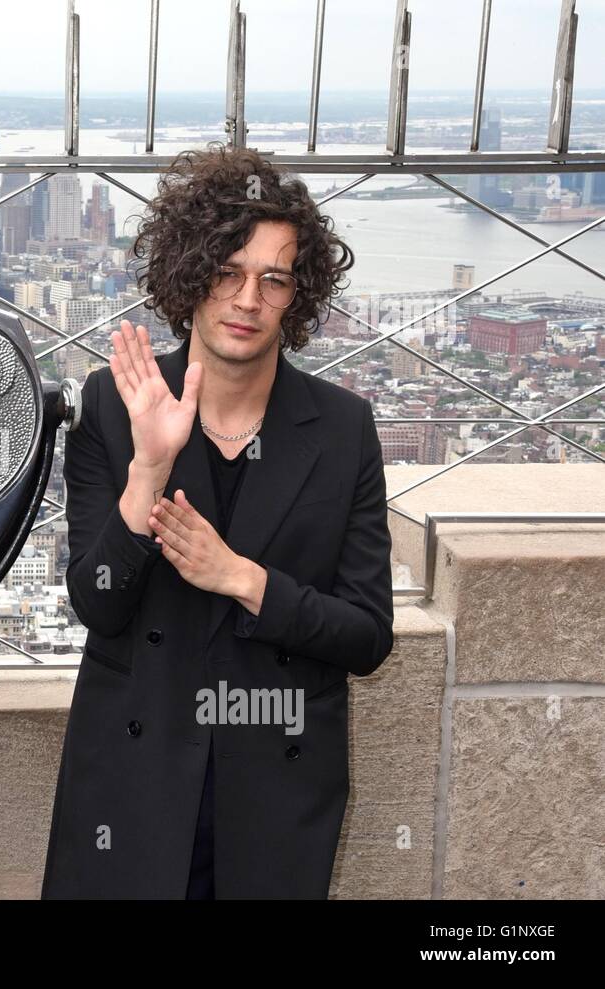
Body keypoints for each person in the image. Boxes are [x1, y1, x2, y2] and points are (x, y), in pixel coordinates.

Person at [41, 143, 395, 899]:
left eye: (273, 278)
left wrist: (244, 579)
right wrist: (150, 467)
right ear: (188, 275)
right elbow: (96, 600)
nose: (247, 299)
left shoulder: (342, 429)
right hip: (132, 789)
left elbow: (368, 635)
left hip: (275, 793)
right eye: (227, 271)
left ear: (298, 296)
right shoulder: (114, 401)